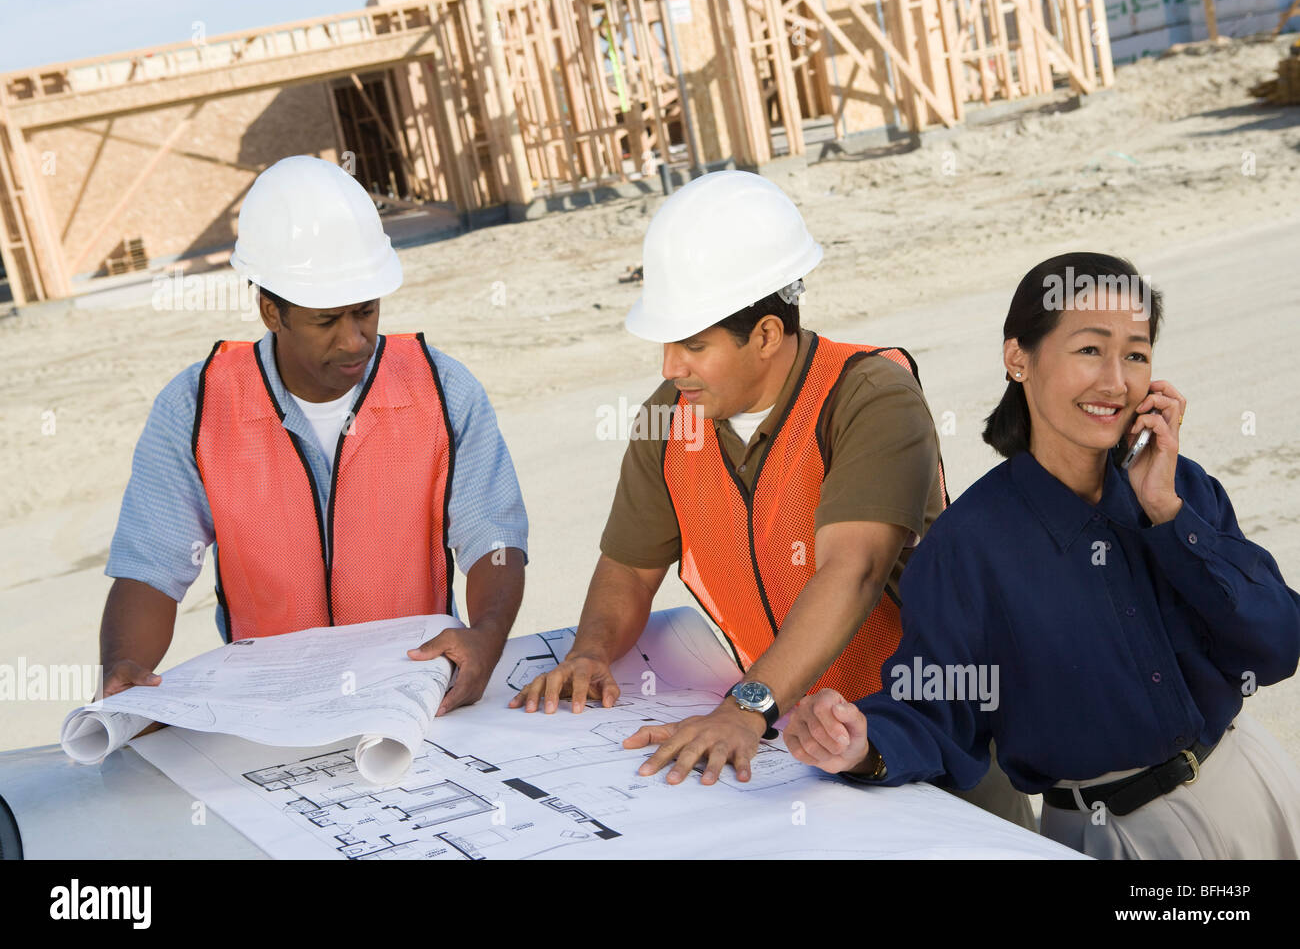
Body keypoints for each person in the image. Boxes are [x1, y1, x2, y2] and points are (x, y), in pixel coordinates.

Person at [508, 170, 1031, 828]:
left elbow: (855, 569)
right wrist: (590, 649)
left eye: (693, 345)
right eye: (667, 344)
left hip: (928, 740)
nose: (671, 366)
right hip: (799, 753)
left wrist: (743, 709)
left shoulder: (871, 397)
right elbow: (629, 567)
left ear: (764, 336)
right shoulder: (670, 418)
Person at [785, 252, 1300, 857]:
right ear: (1018, 358)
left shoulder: (1179, 487)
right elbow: (937, 710)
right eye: (1090, 350)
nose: (1116, 381)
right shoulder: (967, 547)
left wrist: (1169, 517)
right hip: (1112, 837)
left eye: (1135, 353)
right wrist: (862, 745)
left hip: (1250, 788)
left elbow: (1276, 645)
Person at [99, 156, 528, 716]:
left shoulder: (443, 390)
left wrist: (486, 636)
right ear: (270, 311)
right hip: (271, 705)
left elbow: (492, 538)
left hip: (413, 694)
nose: (354, 340)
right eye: (327, 320)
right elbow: (152, 565)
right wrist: (124, 667)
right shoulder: (196, 408)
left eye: (366, 311)